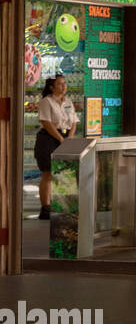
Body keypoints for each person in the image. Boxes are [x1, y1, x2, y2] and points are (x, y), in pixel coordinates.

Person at [34, 74, 77, 220]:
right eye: (60, 84)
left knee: (64, 173)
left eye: (64, 83)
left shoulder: (68, 102)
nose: (64, 86)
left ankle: (62, 205)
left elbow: (74, 122)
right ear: (52, 87)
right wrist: (60, 139)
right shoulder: (46, 102)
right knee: (48, 173)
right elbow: (46, 122)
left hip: (65, 138)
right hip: (48, 138)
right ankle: (46, 208)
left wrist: (69, 138)